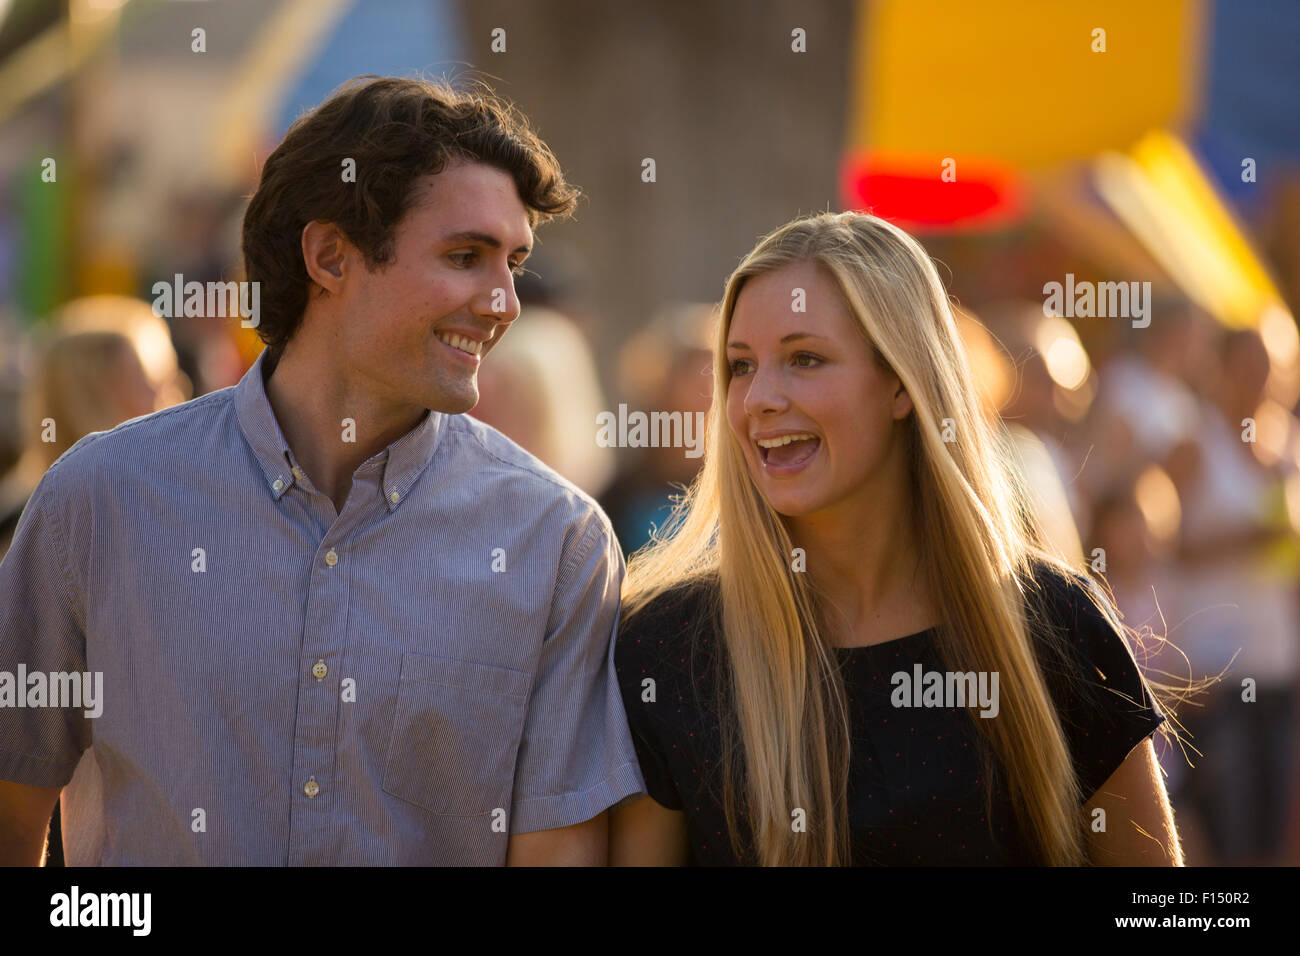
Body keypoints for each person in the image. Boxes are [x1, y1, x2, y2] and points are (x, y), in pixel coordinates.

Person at [0, 75, 644, 866]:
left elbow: (557, 859)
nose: (506, 301)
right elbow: (10, 808)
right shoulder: (100, 501)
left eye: (514, 262)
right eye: (466, 256)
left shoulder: (556, 545)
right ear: (331, 256)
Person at [609, 211, 1183, 866]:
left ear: (902, 384)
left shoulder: (1052, 624)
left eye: (805, 358)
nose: (759, 398)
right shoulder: (662, 648)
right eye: (740, 367)